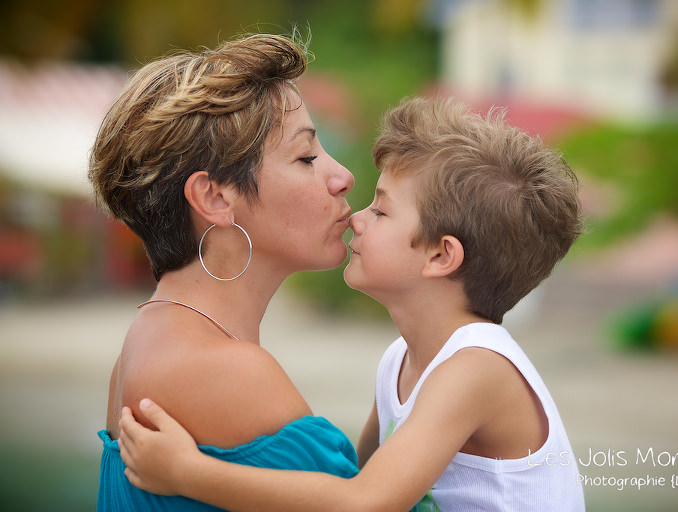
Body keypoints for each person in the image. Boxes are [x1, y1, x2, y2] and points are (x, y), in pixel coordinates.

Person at [119, 96, 586, 511]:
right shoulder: (398, 364)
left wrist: (187, 474)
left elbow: (362, 502)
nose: (357, 218)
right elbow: (348, 482)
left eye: (381, 211)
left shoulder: (478, 367)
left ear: (441, 255)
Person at [89, 32, 358, 511]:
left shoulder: (149, 338)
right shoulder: (225, 371)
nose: (342, 177)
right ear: (214, 198)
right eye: (307, 157)